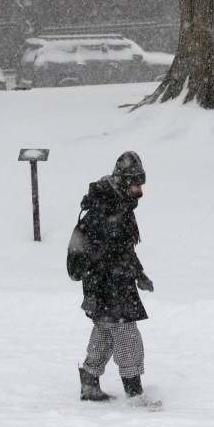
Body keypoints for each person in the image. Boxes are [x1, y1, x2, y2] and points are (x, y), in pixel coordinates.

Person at [76, 151, 156, 406]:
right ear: (124, 183)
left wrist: (139, 273)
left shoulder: (118, 204)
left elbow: (124, 249)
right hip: (108, 285)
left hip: (113, 282)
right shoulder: (107, 209)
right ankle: (134, 393)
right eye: (136, 184)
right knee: (127, 335)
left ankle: (89, 382)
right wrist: (92, 292)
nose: (140, 191)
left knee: (105, 332)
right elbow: (96, 257)